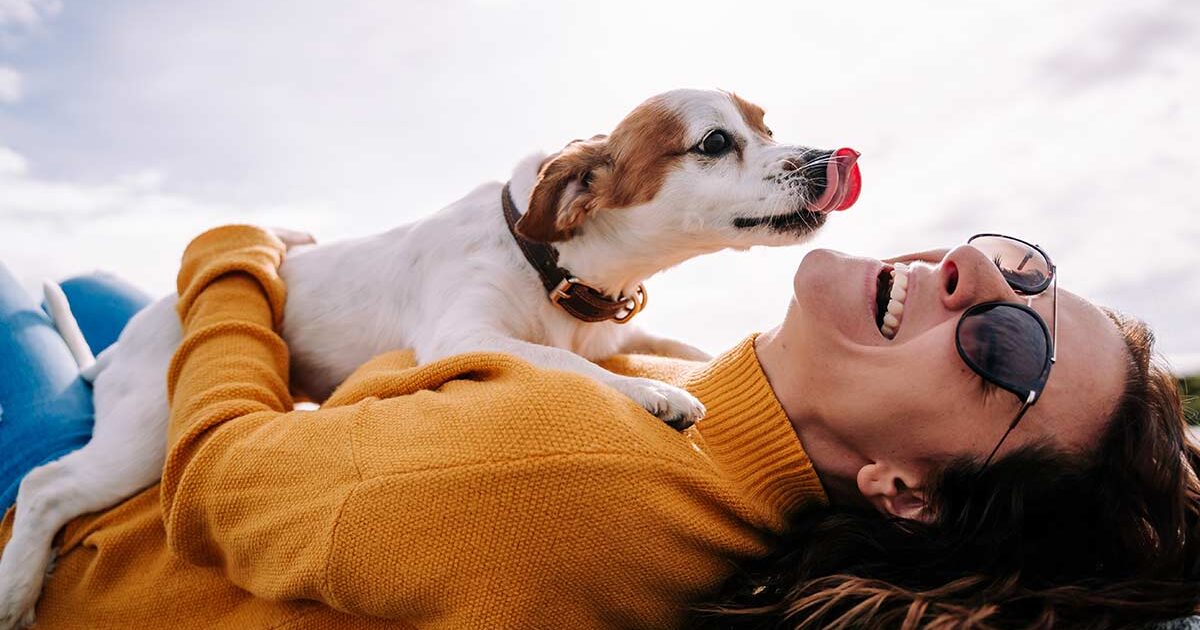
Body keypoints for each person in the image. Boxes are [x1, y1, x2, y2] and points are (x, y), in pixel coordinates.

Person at [0, 225, 1195, 629]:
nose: (975, 282)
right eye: (1019, 266)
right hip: (173, 481)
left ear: (904, 491)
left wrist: (234, 262)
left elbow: (219, 481)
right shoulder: (714, 425)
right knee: (107, 296)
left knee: (26, 292)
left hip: (96, 552)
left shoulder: (561, 476)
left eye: (1006, 352)